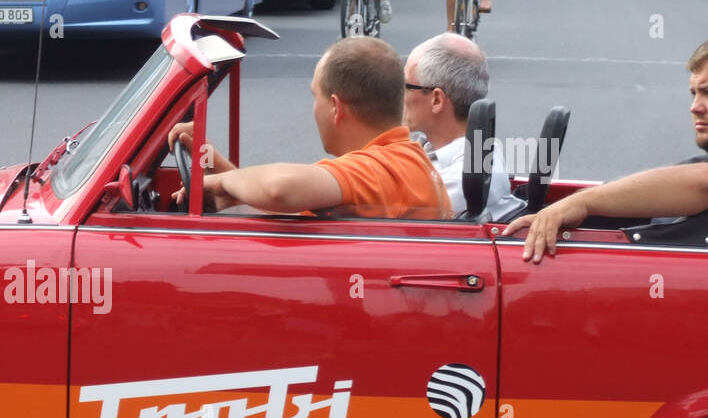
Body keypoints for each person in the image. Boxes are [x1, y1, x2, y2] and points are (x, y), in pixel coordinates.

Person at [168, 37, 452, 219]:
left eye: (314, 96)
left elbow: (279, 188)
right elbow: (277, 208)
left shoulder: (381, 170)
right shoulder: (399, 161)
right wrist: (208, 158)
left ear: (335, 108)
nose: (312, 107)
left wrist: (214, 182)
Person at [505, 41, 708, 262]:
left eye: (707, 92)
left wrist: (580, 203)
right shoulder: (694, 167)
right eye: (694, 94)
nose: (695, 107)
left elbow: (702, 183)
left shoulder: (699, 179)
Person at [402, 34, 518, 220]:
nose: (400, 94)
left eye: (406, 85)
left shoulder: (457, 183)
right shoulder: (479, 152)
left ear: (437, 100)